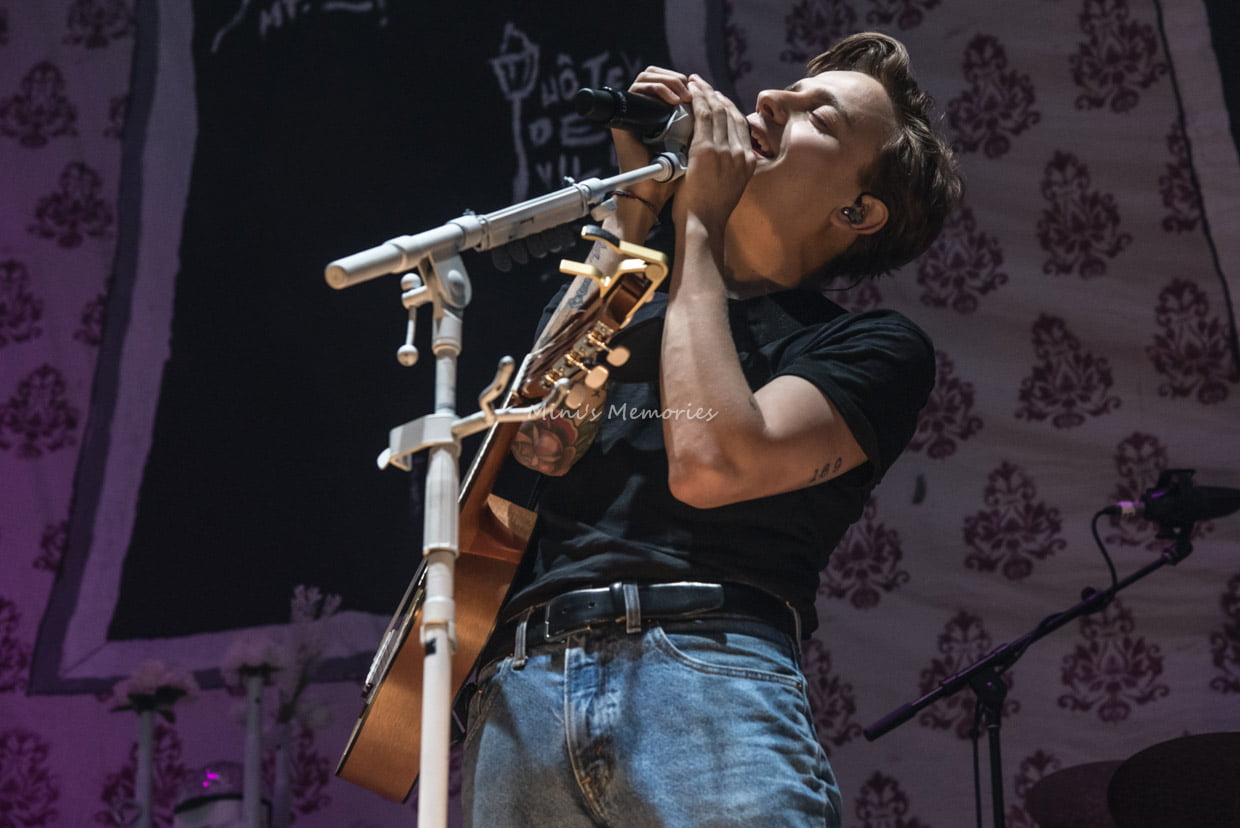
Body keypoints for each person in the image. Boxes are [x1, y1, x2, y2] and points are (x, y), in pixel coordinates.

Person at [461, 31, 963, 827]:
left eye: (817, 116)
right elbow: (535, 439)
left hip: (706, 676)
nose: (769, 100)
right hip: (525, 683)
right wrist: (634, 207)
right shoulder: (634, 300)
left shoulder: (869, 347)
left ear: (859, 209)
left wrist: (695, 226)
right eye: (788, 89)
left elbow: (714, 466)